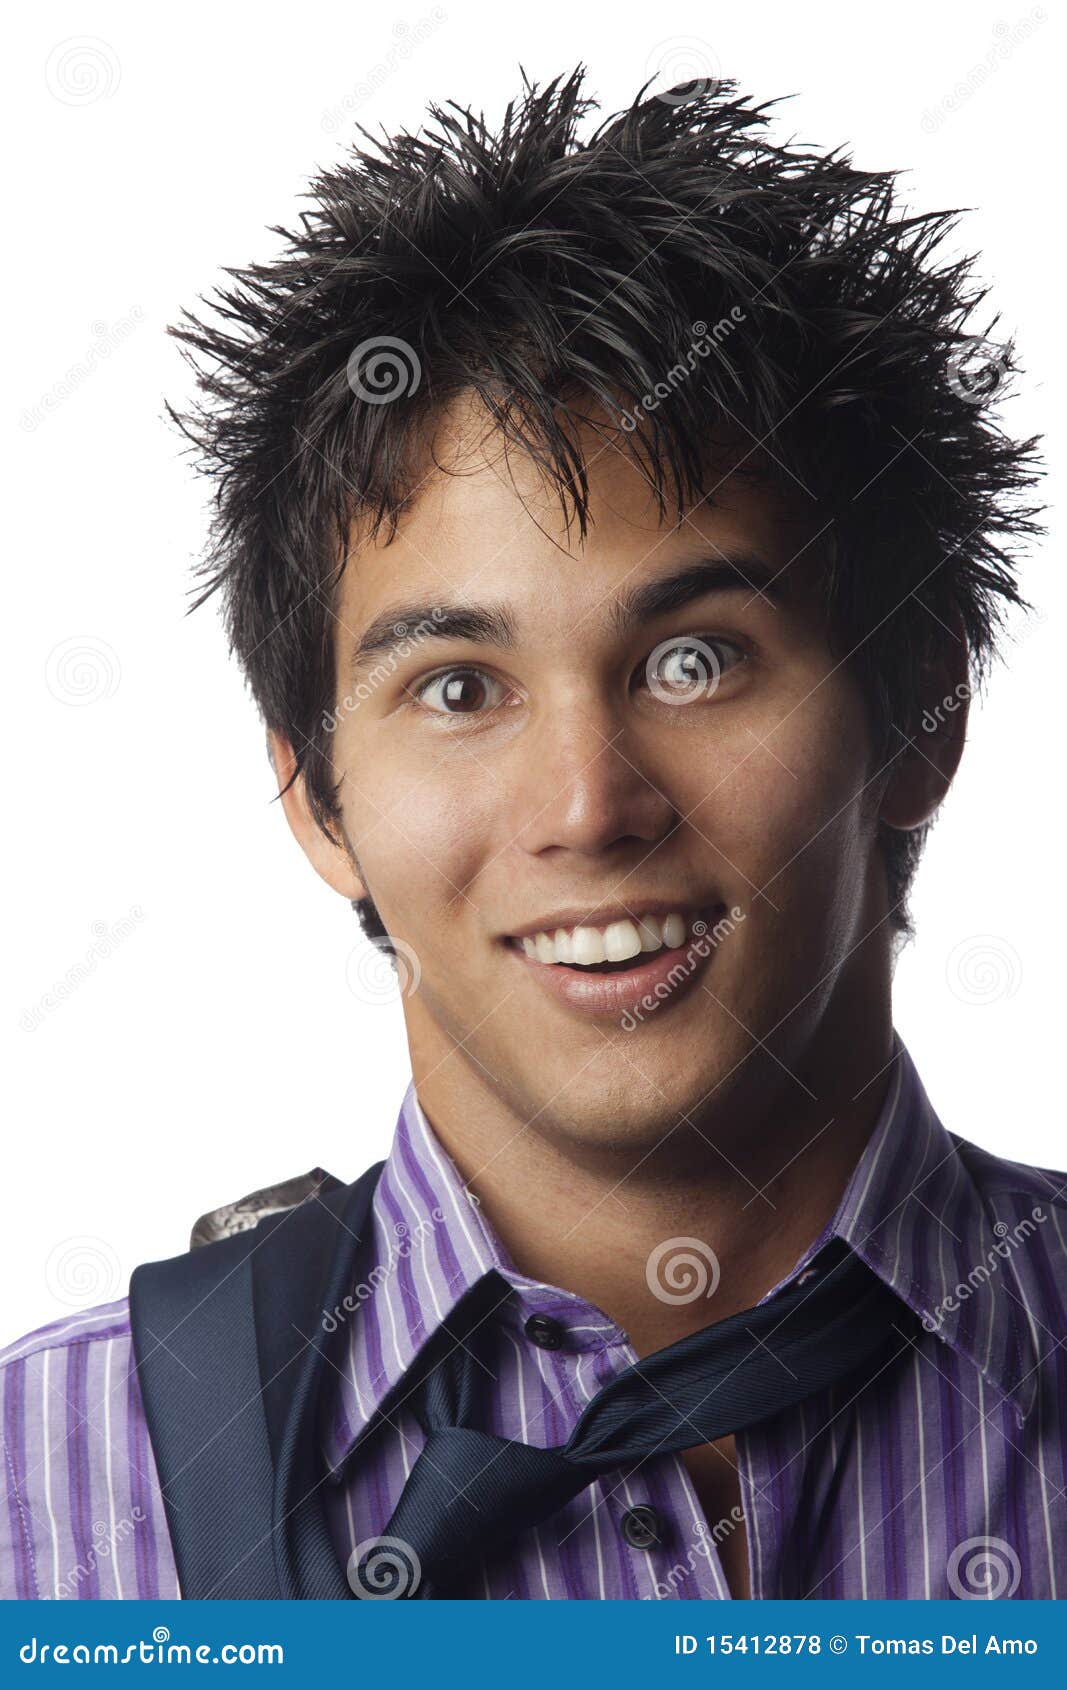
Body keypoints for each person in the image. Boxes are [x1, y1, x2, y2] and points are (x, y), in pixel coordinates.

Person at [2, 67, 1062, 1604]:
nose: (588, 805)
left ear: (919, 714)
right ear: (315, 797)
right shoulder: (47, 1505)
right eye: (457, 687)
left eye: (694, 659)